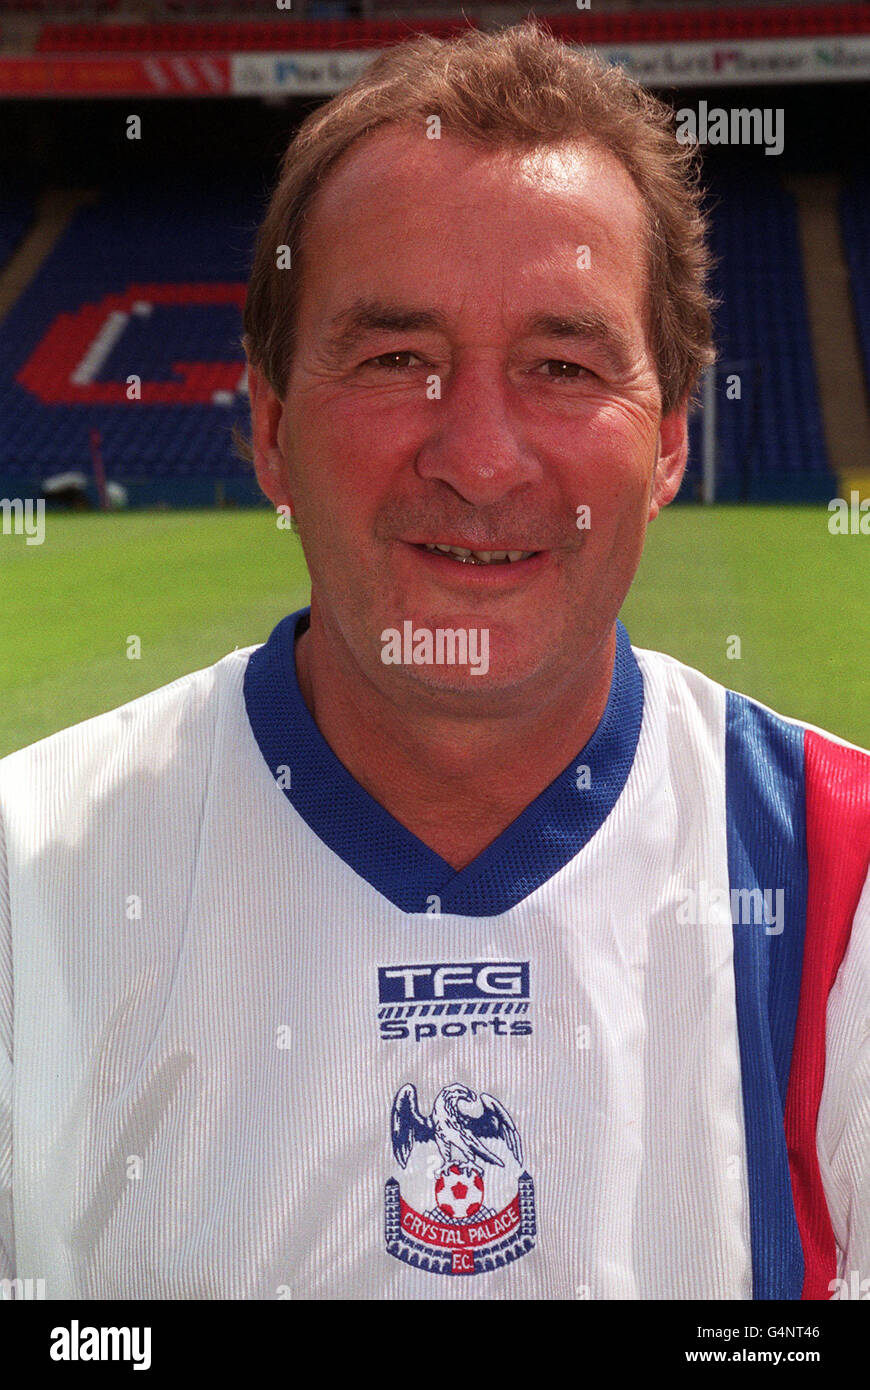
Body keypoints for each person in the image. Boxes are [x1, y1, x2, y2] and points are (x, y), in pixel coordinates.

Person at [1, 22, 867, 1301]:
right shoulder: (27, 877)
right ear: (275, 429)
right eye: (396, 358)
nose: (478, 457)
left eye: (563, 365)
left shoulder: (846, 888)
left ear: (673, 441)